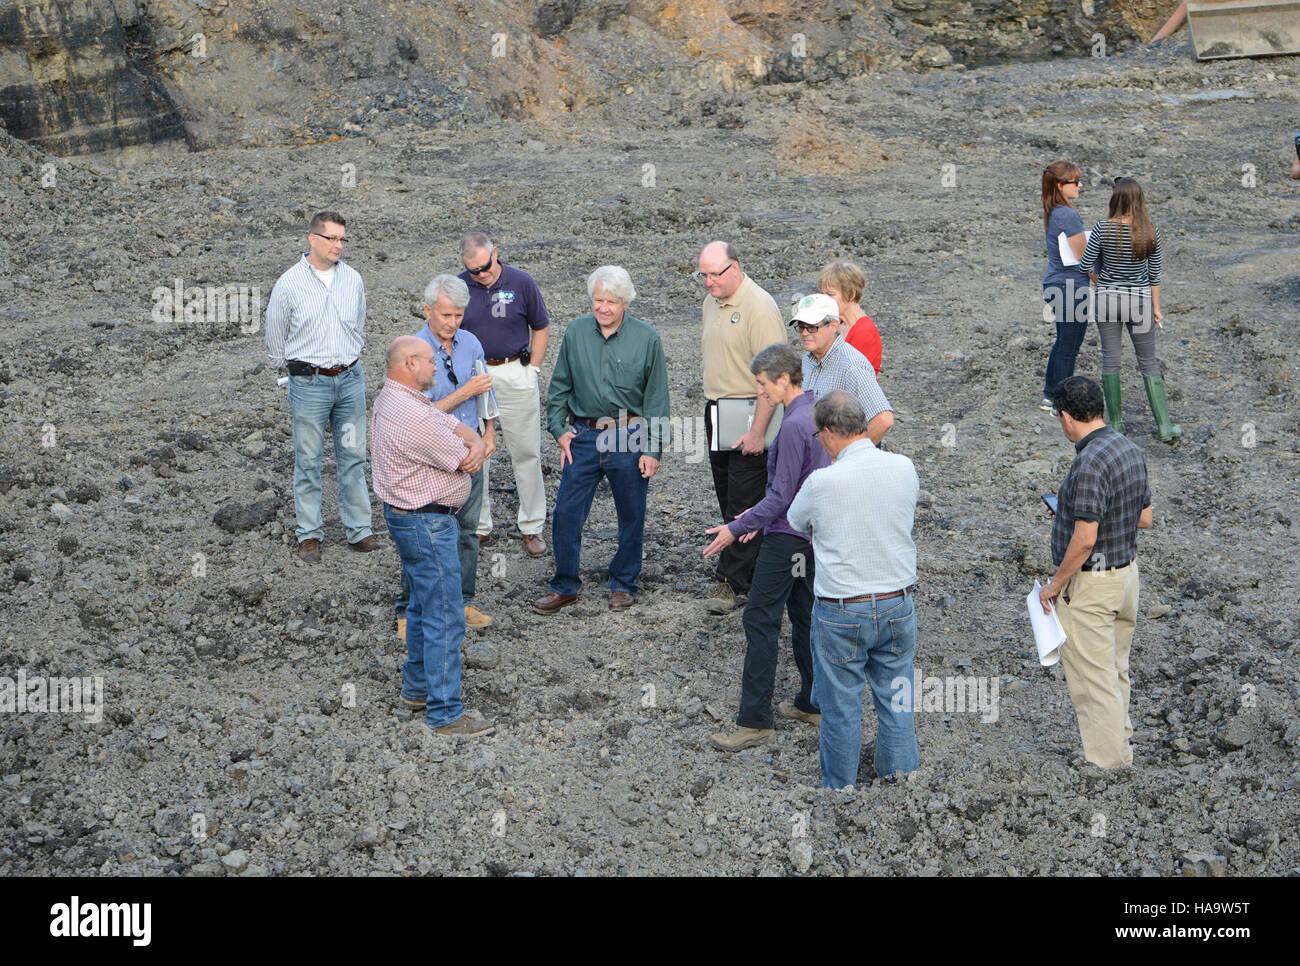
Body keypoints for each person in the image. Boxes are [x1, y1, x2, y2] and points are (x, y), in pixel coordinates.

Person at [787, 391, 920, 789]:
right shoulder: (904, 467)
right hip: (897, 601)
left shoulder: (822, 481)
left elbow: (796, 522)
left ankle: (839, 790)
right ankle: (900, 785)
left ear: (828, 433)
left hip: (842, 609)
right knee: (896, 700)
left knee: (841, 707)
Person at [703, 344, 829, 751]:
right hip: (811, 538)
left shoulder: (792, 425)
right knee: (805, 615)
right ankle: (813, 702)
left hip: (788, 537)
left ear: (784, 380)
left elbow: (779, 497)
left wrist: (736, 527)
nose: (760, 393)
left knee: (759, 619)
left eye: (762, 384)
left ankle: (755, 721)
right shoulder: (812, 413)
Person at [371, 336, 494, 737]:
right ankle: (445, 713)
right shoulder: (412, 416)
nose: (436, 367)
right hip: (427, 523)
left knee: (423, 607)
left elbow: (451, 424)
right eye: (429, 361)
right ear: (409, 364)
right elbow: (464, 459)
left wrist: (473, 438)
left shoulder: (397, 399)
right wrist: (471, 452)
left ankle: (417, 690)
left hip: (408, 519)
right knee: (445, 613)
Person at [534, 266, 670, 613]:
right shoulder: (576, 332)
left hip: (629, 435)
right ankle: (565, 585)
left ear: (625, 302)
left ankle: (624, 583)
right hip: (583, 435)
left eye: (611, 301)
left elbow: (657, 401)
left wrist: (653, 449)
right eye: (598, 300)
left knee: (631, 513)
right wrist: (558, 428)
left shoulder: (647, 338)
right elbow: (559, 386)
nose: (604, 307)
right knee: (566, 512)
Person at [1039, 376, 1153, 769]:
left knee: (1094, 680)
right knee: (1116, 671)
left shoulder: (1088, 462)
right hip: (1126, 579)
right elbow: (1145, 517)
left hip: (1093, 586)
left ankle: (1107, 766)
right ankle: (1121, 748)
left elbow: (1085, 540)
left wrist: (1055, 585)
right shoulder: (1129, 448)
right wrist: (1076, 511)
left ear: (1067, 417)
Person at [265, 210, 375, 563]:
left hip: (349, 379)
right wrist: (298, 367)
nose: (339, 245)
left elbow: (358, 323)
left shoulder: (353, 280)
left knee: (353, 456)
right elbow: (275, 336)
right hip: (308, 383)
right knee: (308, 459)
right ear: (312, 239)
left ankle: (359, 531)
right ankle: (310, 534)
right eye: (332, 238)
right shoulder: (289, 284)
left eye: (343, 239)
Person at [393, 275, 498, 640]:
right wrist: (465, 391)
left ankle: (463, 601)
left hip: (472, 456)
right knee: (424, 536)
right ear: (427, 311)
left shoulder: (470, 343)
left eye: (459, 315)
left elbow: (486, 394)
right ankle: (409, 610)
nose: (453, 323)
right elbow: (417, 414)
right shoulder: (412, 352)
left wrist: (489, 434)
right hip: (432, 460)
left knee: (468, 532)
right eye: (446, 315)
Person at [698, 240, 787, 614]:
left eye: (713, 275)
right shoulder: (712, 301)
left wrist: (757, 432)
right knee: (726, 493)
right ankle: (751, 569)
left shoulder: (759, 307)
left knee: (744, 498)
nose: (706, 283)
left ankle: (732, 582)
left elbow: (775, 374)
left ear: (734, 268)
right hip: (718, 410)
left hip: (751, 414)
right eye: (701, 275)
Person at [456, 231, 550, 555]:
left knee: (527, 452)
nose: (482, 275)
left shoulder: (521, 282)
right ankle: (479, 525)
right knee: (475, 450)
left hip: (514, 370)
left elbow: (541, 324)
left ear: (496, 252)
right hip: (474, 376)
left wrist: (532, 369)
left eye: (485, 266)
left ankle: (533, 525)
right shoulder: (458, 287)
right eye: (474, 271)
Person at [1080, 177, 1180, 442]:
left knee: (1110, 360)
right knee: (1148, 361)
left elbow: (1085, 264)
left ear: (1116, 198)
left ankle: (1117, 425)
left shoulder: (1102, 229)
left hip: (1108, 301)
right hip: (1139, 302)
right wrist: (1156, 308)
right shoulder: (1150, 231)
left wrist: (1103, 282)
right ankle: (1164, 427)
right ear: (1139, 199)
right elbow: (1155, 275)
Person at [793, 294, 894, 443]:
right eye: (801, 327)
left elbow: (884, 419)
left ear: (834, 326)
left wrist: (849, 457)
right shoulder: (808, 359)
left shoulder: (851, 365)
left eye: (812, 327)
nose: (804, 333)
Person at [1040, 160, 1092, 412]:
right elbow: (1085, 258)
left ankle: (1050, 395)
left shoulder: (1054, 211)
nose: (1080, 185)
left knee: (1062, 343)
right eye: (1076, 181)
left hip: (1057, 285)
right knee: (1069, 348)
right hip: (1072, 288)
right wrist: (1103, 282)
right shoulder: (1068, 215)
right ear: (1061, 185)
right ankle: (1060, 405)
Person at [819, 260, 882, 375]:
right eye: (822, 294)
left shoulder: (864, 332)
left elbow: (848, 376)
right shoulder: (838, 323)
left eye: (830, 294)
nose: (824, 300)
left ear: (851, 294)